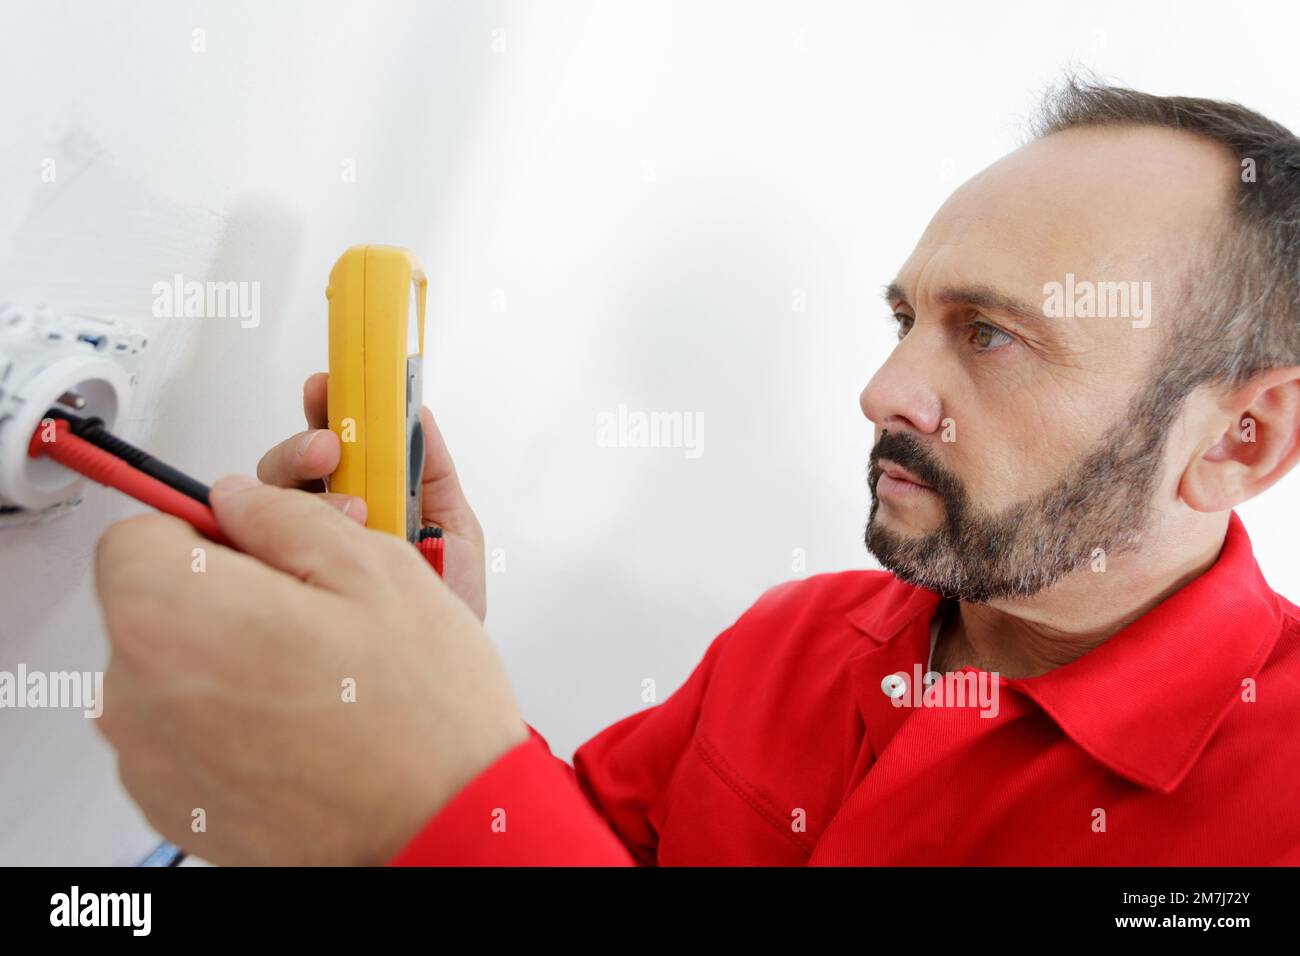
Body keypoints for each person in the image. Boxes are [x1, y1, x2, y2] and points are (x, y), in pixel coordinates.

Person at [93, 77, 1300, 865]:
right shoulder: (800, 636)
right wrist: (434, 660)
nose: (883, 393)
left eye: (990, 333)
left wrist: (419, 797)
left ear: (1240, 438)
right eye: (905, 319)